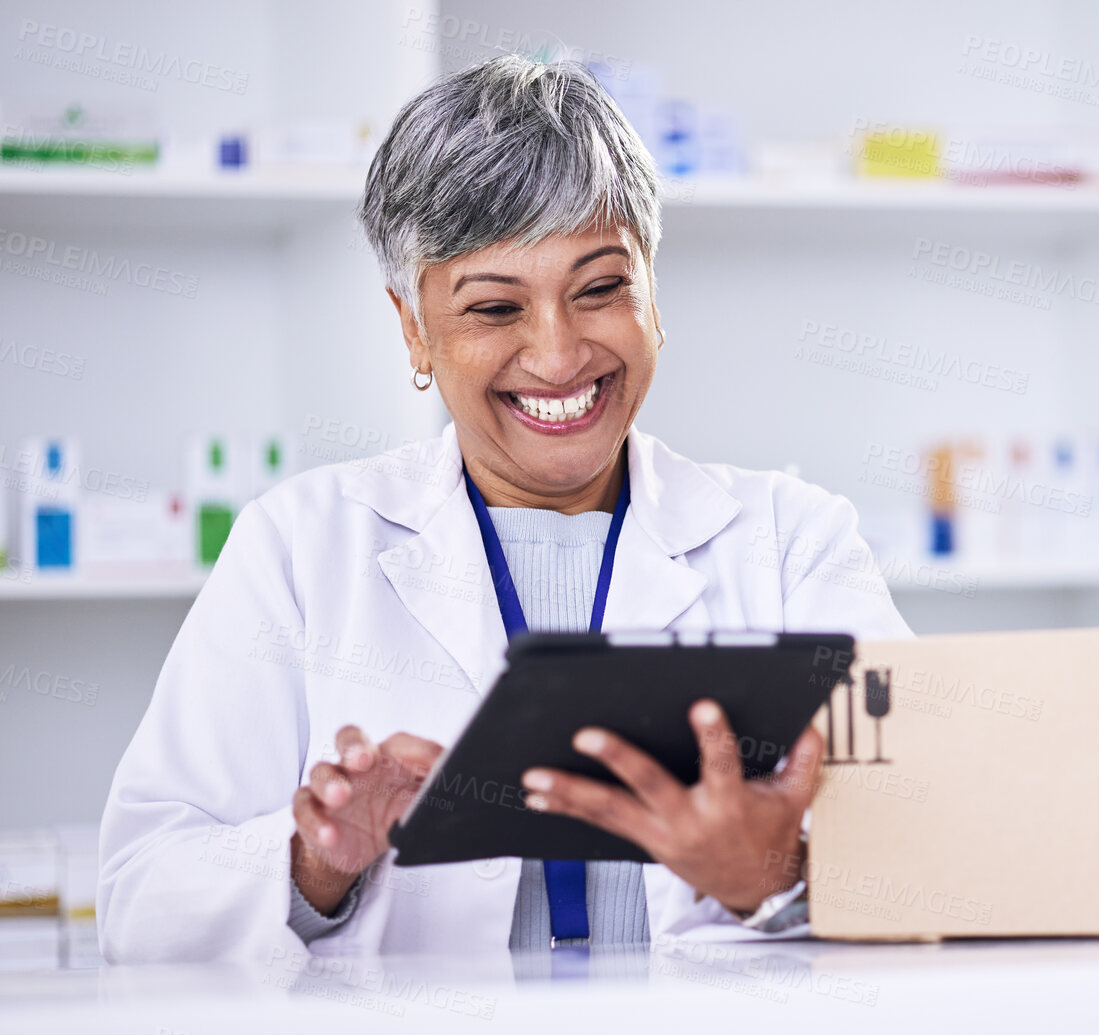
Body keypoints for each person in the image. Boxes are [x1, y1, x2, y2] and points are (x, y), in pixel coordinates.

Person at [98, 56, 909, 963]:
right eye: (494, 307)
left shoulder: (794, 542)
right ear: (412, 325)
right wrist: (312, 861)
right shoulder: (299, 546)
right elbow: (138, 903)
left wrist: (777, 871)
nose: (559, 355)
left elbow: (957, 853)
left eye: (601, 288)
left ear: (652, 288)